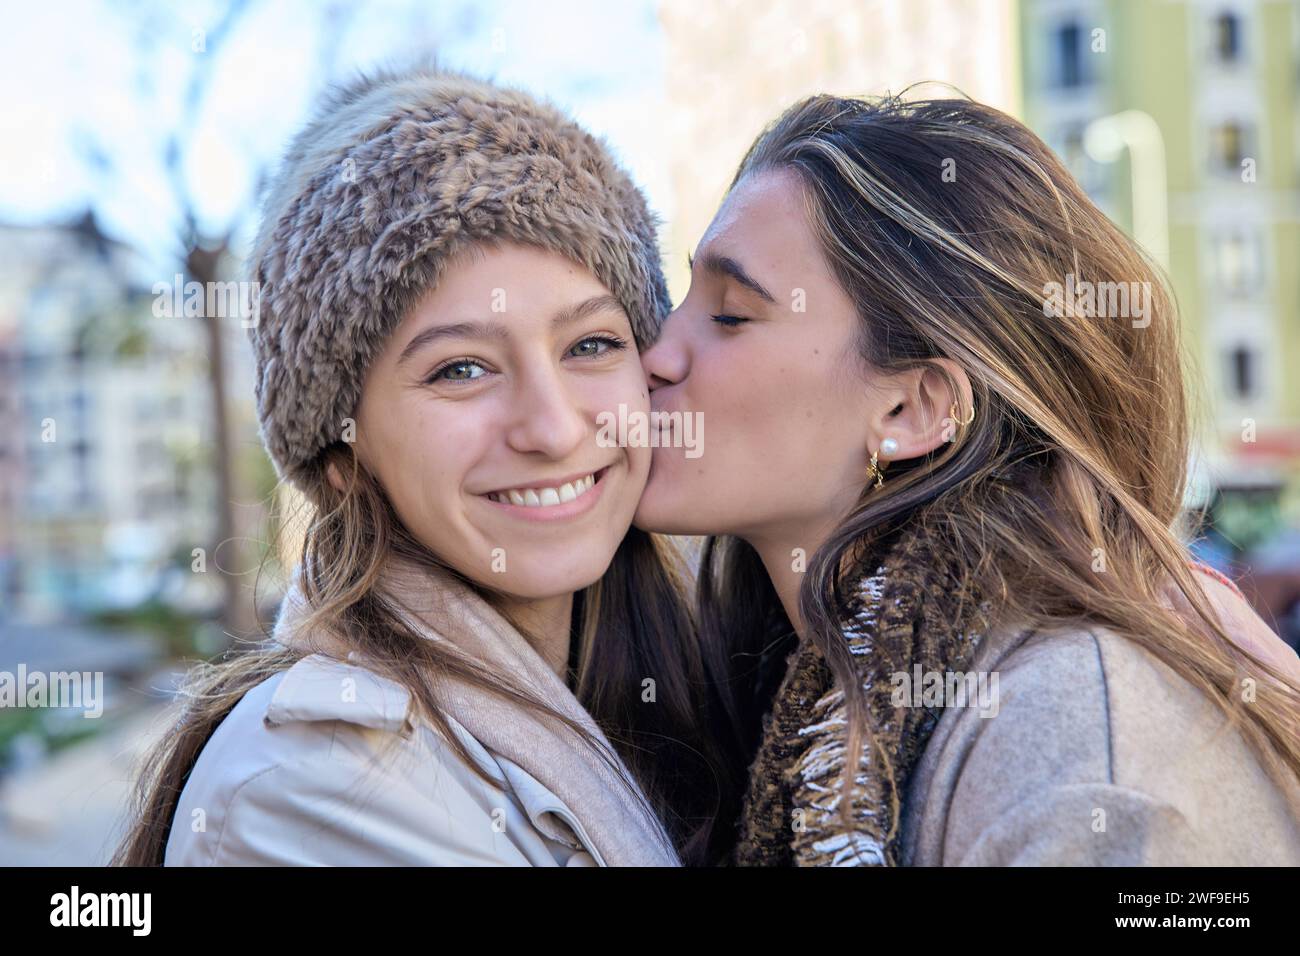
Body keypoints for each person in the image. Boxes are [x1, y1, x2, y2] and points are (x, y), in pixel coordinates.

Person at [634, 93, 1300, 865]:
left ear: (914, 408)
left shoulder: (1075, 739)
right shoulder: (794, 691)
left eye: (730, 314)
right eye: (683, 298)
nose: (656, 353)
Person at [112, 62, 726, 867]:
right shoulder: (312, 790)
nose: (552, 427)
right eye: (460, 369)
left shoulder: (694, 684)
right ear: (339, 453)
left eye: (591, 344)